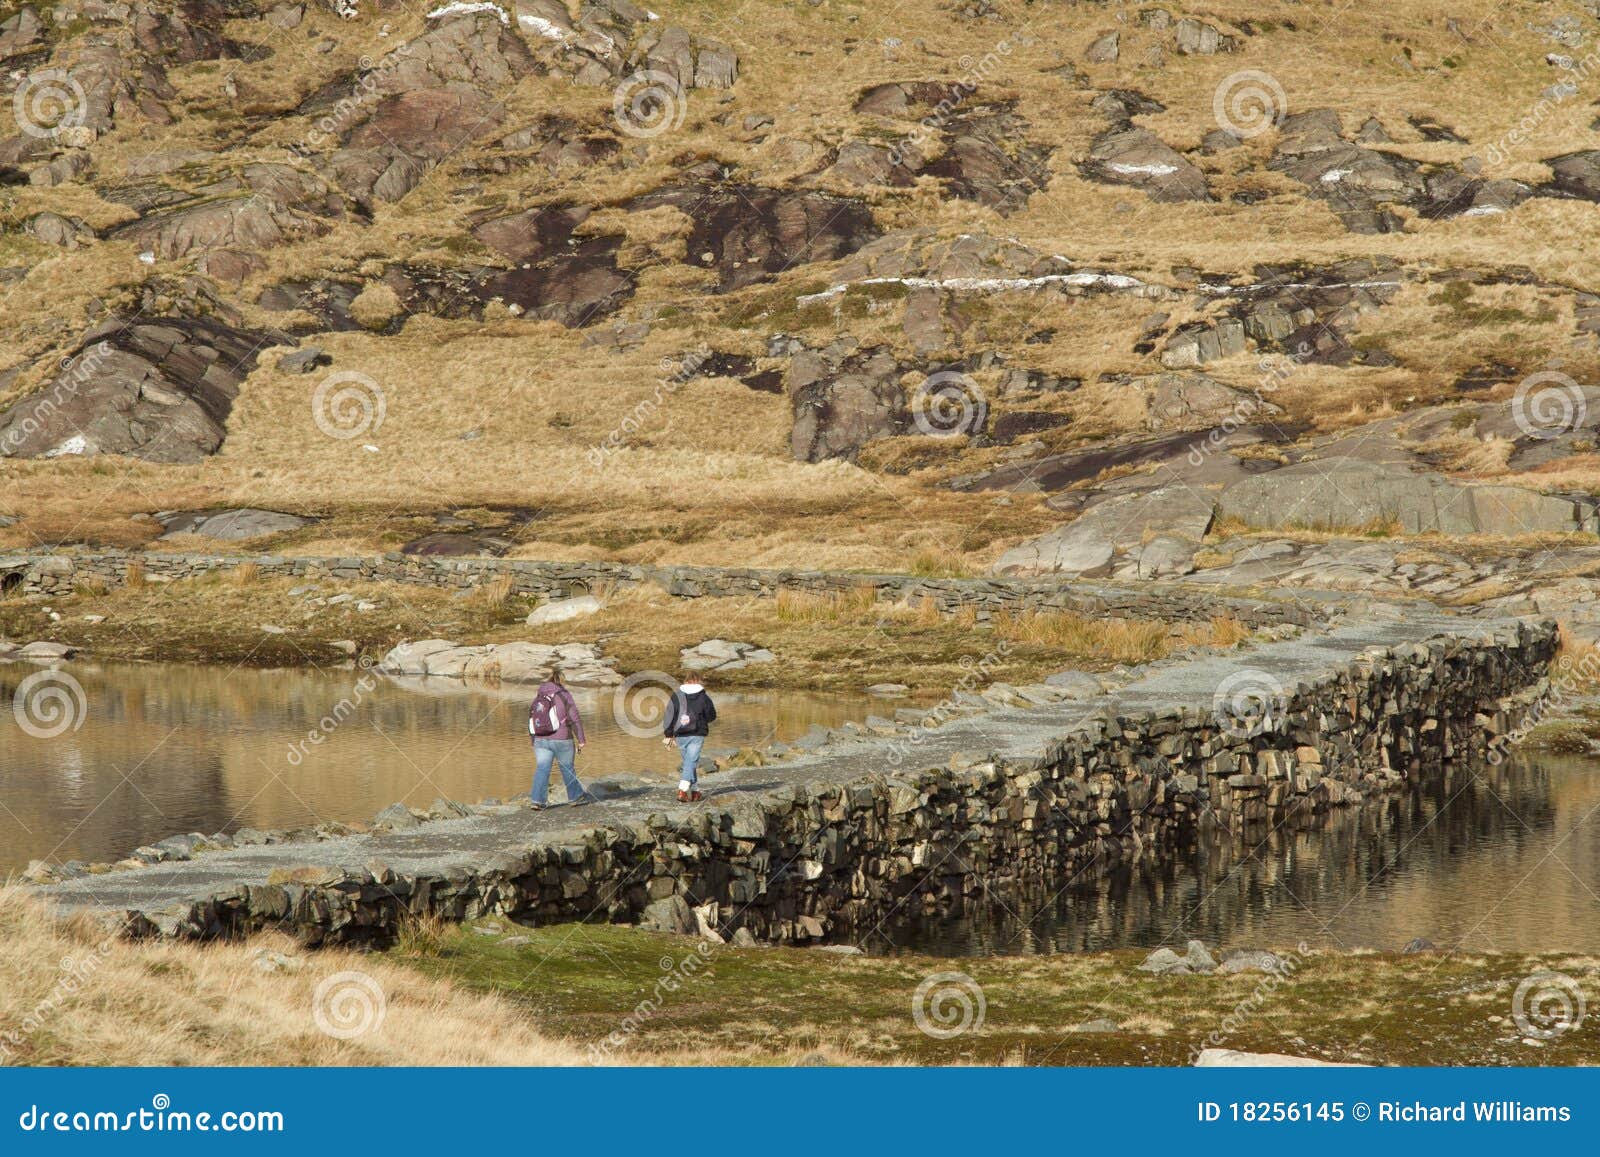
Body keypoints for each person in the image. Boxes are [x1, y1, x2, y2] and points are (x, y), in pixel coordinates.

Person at [527, 673, 591, 809]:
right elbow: (574, 718)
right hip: (562, 738)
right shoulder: (564, 694)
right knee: (567, 768)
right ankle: (575, 797)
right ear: (561, 681)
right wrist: (581, 739)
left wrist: (533, 739)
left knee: (542, 768)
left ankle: (537, 801)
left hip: (540, 739)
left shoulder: (539, 695)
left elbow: (531, 718)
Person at [662, 675, 717, 802]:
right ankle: (683, 789)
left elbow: (669, 716)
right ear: (697, 681)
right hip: (697, 733)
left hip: (680, 734)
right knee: (690, 762)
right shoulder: (704, 697)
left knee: (689, 762)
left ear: (685, 681)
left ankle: (695, 791)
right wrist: (703, 719)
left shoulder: (676, 696)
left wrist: (668, 734)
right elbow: (712, 716)